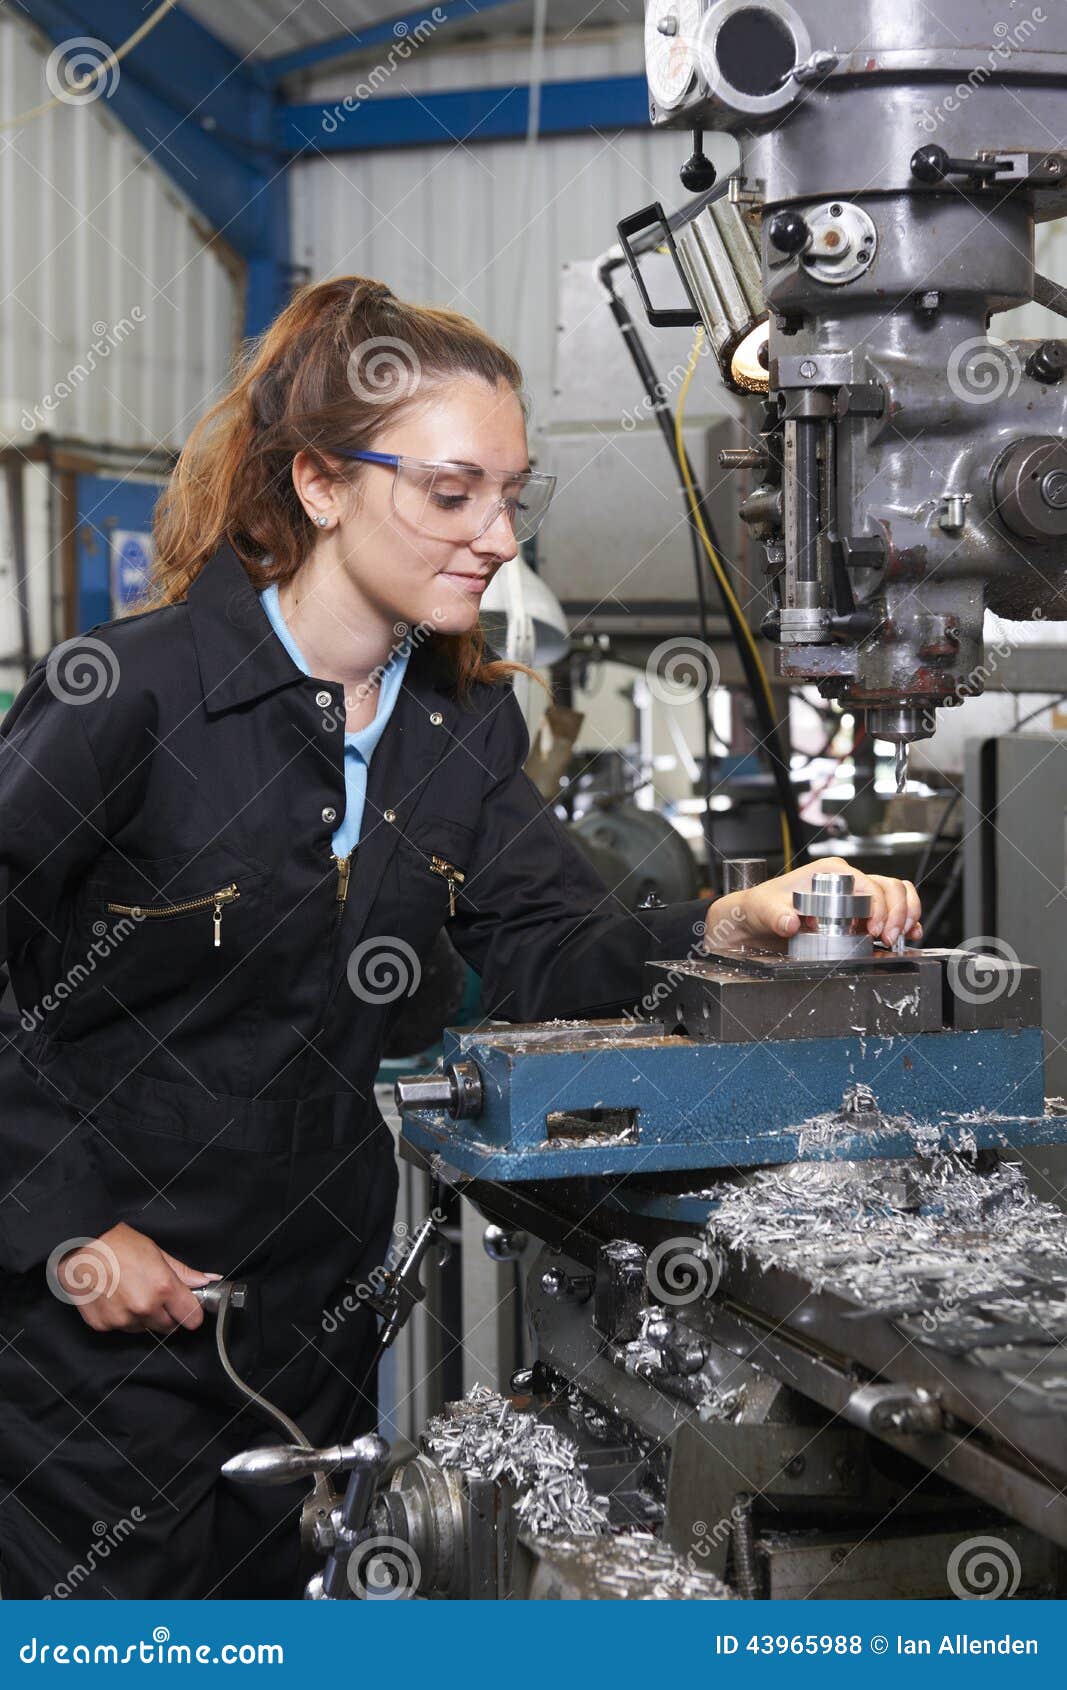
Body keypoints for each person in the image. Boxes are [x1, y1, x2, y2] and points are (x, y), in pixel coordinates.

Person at [0, 276, 922, 1599]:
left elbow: (555, 944)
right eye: (451, 493)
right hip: (90, 1339)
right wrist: (67, 1224)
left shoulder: (458, 729)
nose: (496, 534)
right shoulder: (135, 697)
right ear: (320, 482)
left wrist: (732, 916)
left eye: (512, 494)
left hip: (308, 1326)